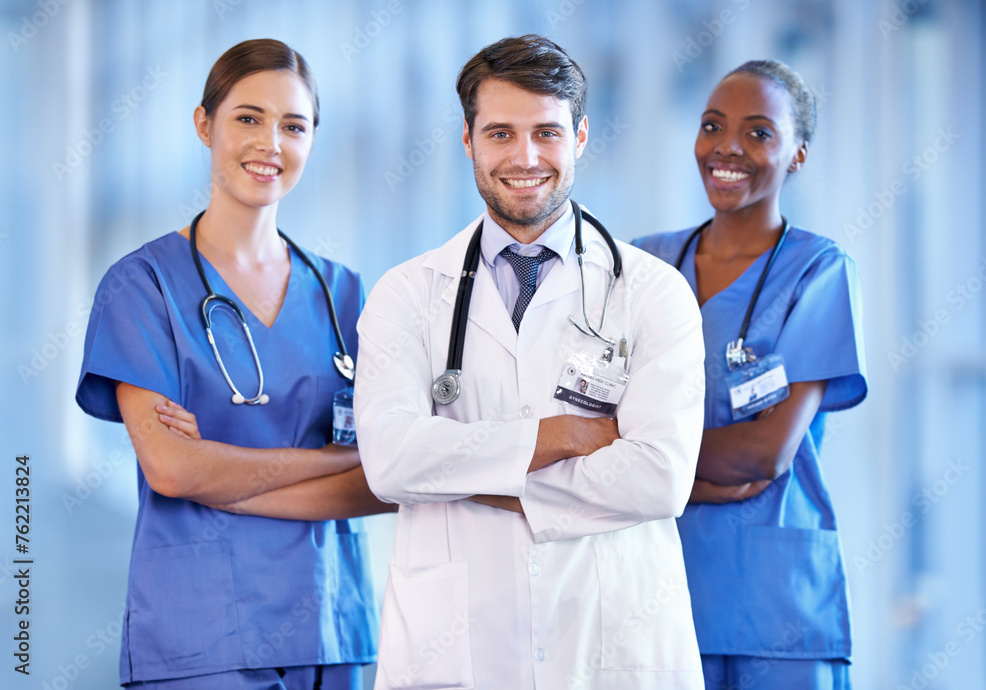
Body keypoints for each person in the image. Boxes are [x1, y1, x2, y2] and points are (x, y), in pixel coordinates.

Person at [355, 35, 706, 690]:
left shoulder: (652, 292)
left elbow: (659, 478)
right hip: (458, 648)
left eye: (547, 132)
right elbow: (391, 461)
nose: (524, 157)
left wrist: (476, 477)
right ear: (467, 140)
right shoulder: (406, 294)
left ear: (580, 137)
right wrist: (558, 438)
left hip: (612, 640)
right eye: (501, 133)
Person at [76, 39, 393, 689]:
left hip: (331, 627)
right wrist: (337, 461)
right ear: (204, 124)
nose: (270, 142)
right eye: (248, 117)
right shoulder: (144, 287)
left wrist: (217, 477)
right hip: (198, 634)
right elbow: (171, 467)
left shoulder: (347, 297)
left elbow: (387, 480)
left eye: (293, 125)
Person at [634, 60, 867, 690]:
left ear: (797, 156)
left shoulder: (820, 270)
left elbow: (766, 454)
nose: (727, 147)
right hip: (659, 590)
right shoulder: (643, 265)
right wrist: (687, 480)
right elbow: (593, 432)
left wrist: (647, 471)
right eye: (713, 126)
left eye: (759, 132)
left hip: (779, 603)